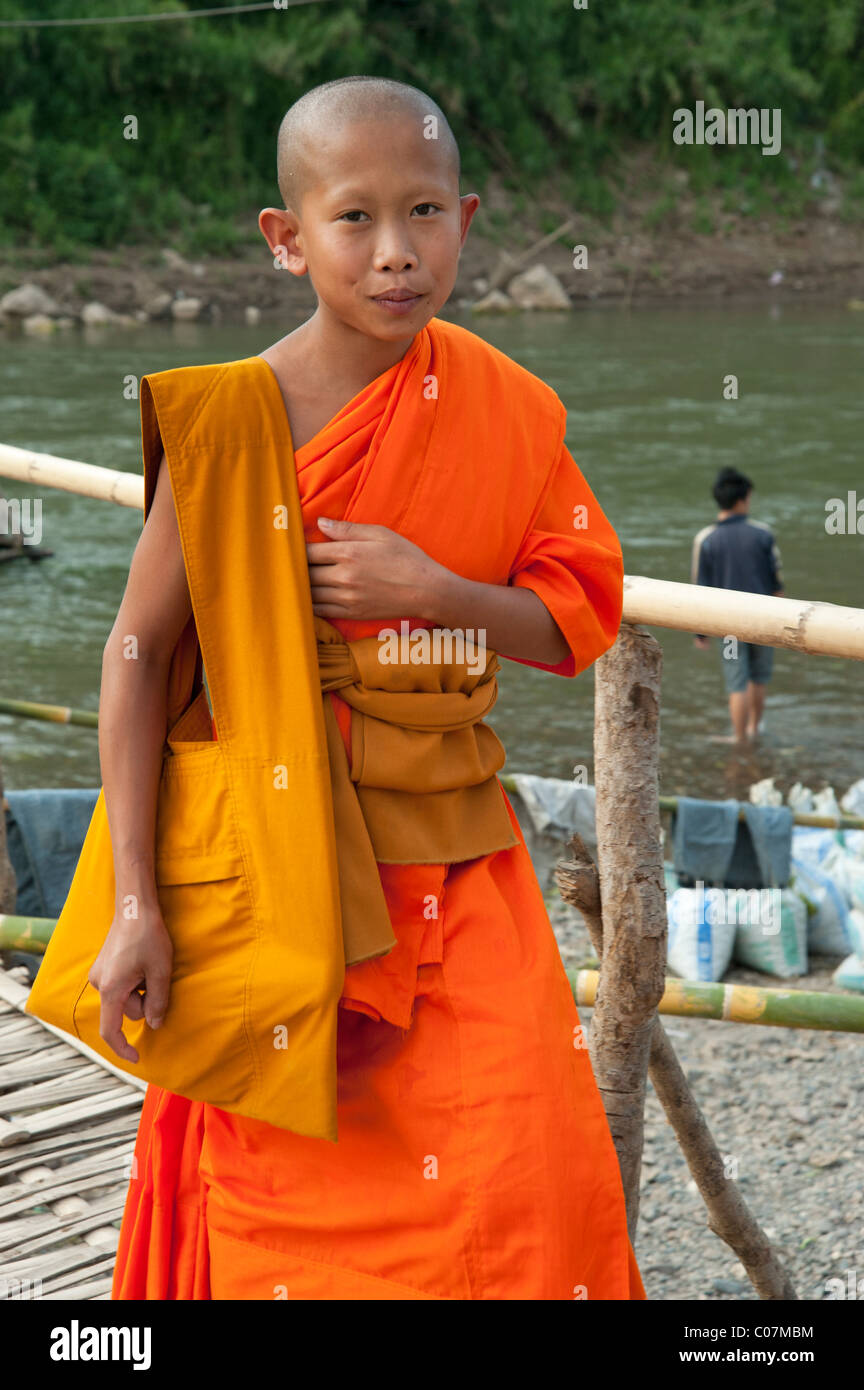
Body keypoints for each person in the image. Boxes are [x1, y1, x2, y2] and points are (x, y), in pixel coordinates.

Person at [96, 75, 645, 1300]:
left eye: (427, 214)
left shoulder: (509, 408)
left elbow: (572, 625)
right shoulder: (234, 421)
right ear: (285, 241)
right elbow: (136, 659)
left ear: (469, 217)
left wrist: (436, 588)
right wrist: (139, 902)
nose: (397, 253)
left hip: (463, 863)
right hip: (276, 872)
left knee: (528, 1186)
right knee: (282, 1212)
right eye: (355, 219)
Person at [691, 467, 785, 743]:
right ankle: (756, 729)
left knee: (737, 682)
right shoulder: (763, 534)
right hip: (765, 619)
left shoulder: (706, 539)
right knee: (759, 677)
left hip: (727, 625)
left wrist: (700, 632)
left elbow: (700, 589)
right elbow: (776, 582)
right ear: (744, 498)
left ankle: (739, 739)